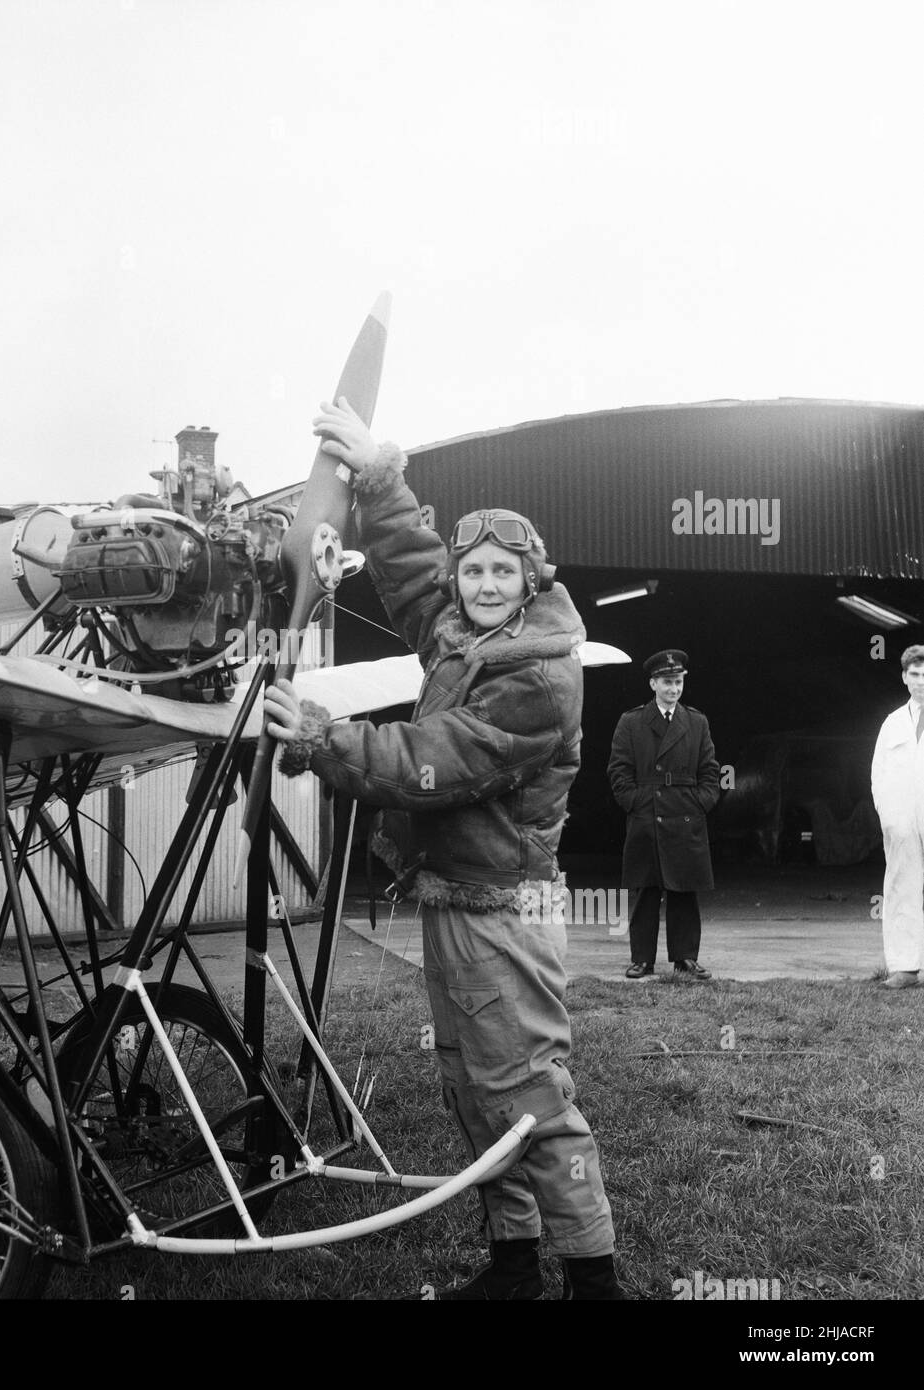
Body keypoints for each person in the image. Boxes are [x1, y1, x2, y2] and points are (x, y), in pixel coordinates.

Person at [263, 397, 621, 1301]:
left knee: (531, 1097)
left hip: (506, 913)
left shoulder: (538, 679)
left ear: (532, 580)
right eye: (476, 571)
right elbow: (418, 576)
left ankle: (594, 1279)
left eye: (504, 571)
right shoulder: (465, 633)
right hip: (456, 899)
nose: (484, 585)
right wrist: (378, 478)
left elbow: (431, 762)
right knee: (471, 1087)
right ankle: (513, 1266)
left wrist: (321, 737)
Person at [607, 651, 721, 981]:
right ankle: (642, 959)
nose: (674, 688)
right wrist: (636, 802)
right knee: (646, 890)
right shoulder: (632, 722)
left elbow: (710, 770)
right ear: (653, 683)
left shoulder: (696, 722)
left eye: (679, 682)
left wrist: (701, 802)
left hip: (686, 815)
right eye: (668, 682)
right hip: (648, 816)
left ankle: (685, 958)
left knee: (684, 890)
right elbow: (618, 771)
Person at [870, 644, 924, 990]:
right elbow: (879, 775)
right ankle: (905, 967)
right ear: (905, 677)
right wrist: (889, 818)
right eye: (915, 675)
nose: (922, 682)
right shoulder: (892, 724)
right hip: (903, 822)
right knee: (903, 887)